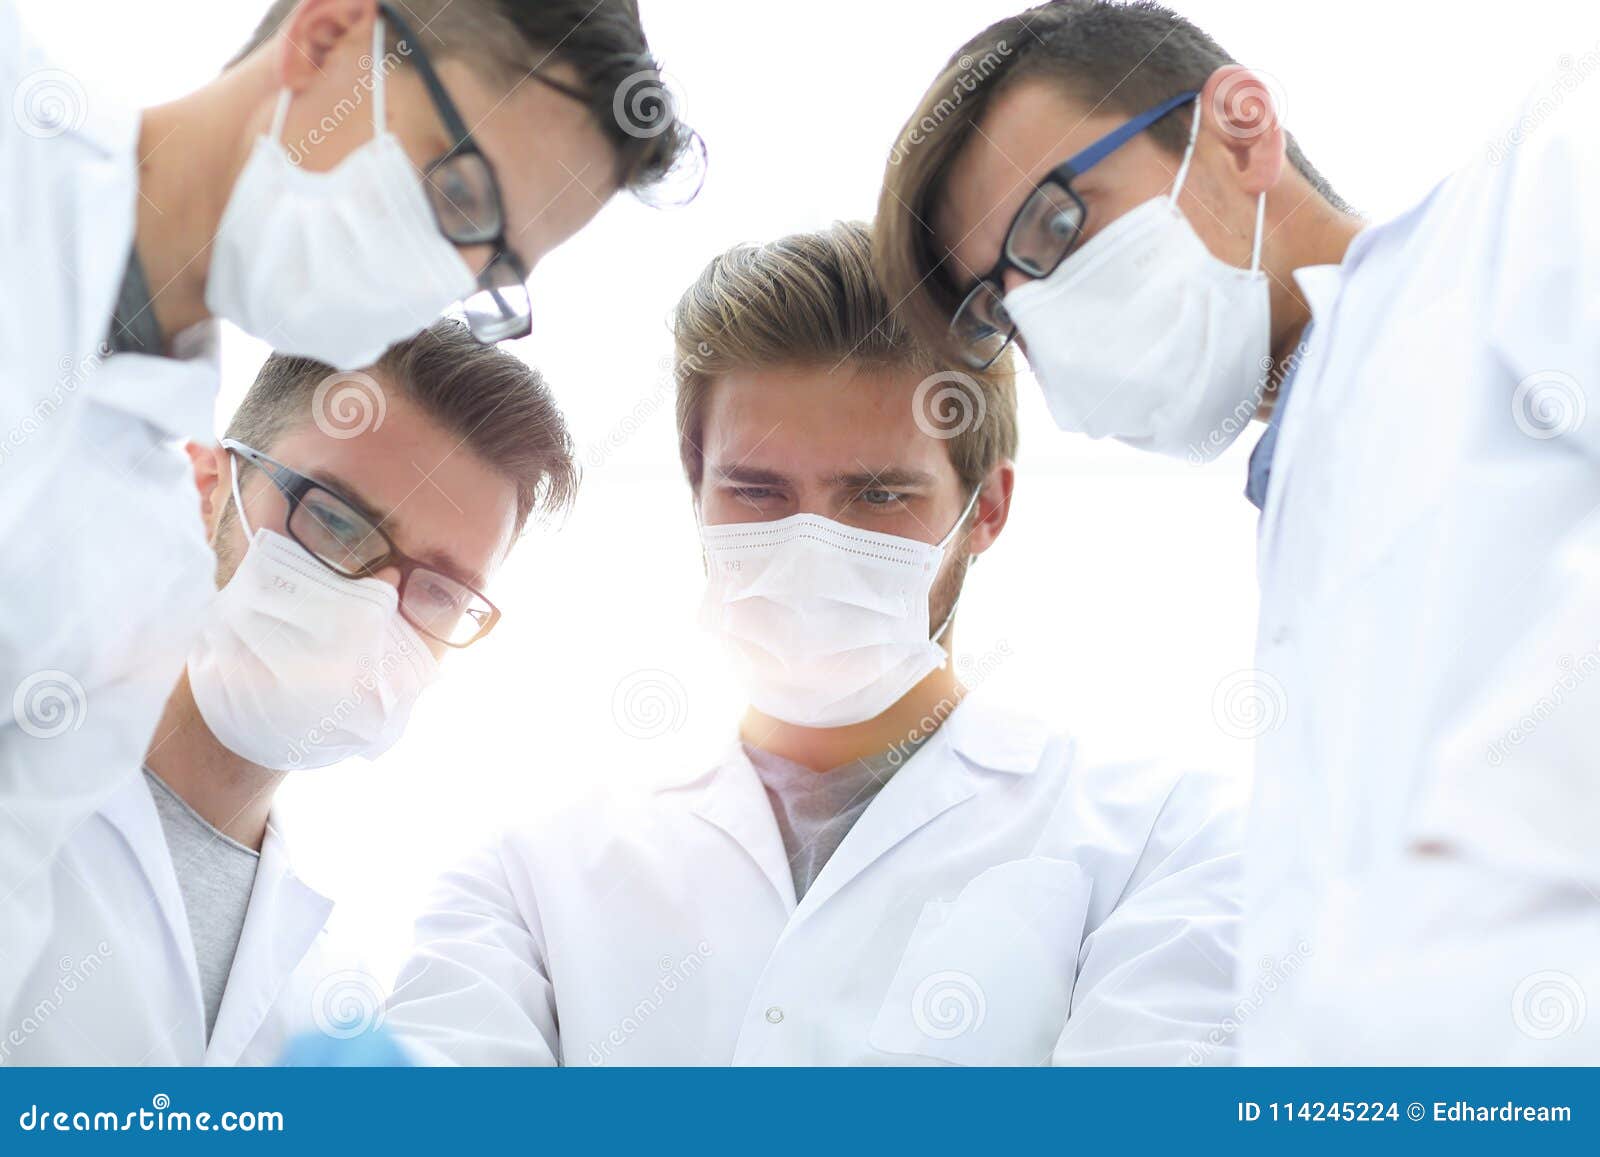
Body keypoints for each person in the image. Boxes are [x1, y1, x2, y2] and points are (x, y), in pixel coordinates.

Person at [872, 0, 1600, 1061]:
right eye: (997, 306)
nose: (1038, 317)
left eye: (1057, 226)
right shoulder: (1308, 481)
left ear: (1239, 129)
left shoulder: (1538, 196)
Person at [382, 222, 1243, 1066]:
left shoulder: (1162, 840)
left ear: (985, 509)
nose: (809, 543)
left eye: (875, 495)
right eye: (756, 492)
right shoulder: (527, 875)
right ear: (697, 495)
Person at [0, 0, 693, 1026]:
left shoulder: (130, 529)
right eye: (458, 196)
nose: (443, 282)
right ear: (327, 39)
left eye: (492, 270)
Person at [1, 319, 578, 1064]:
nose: (373, 606)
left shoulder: (336, 992)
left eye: (438, 590)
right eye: (335, 521)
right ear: (208, 490)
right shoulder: (25, 790)